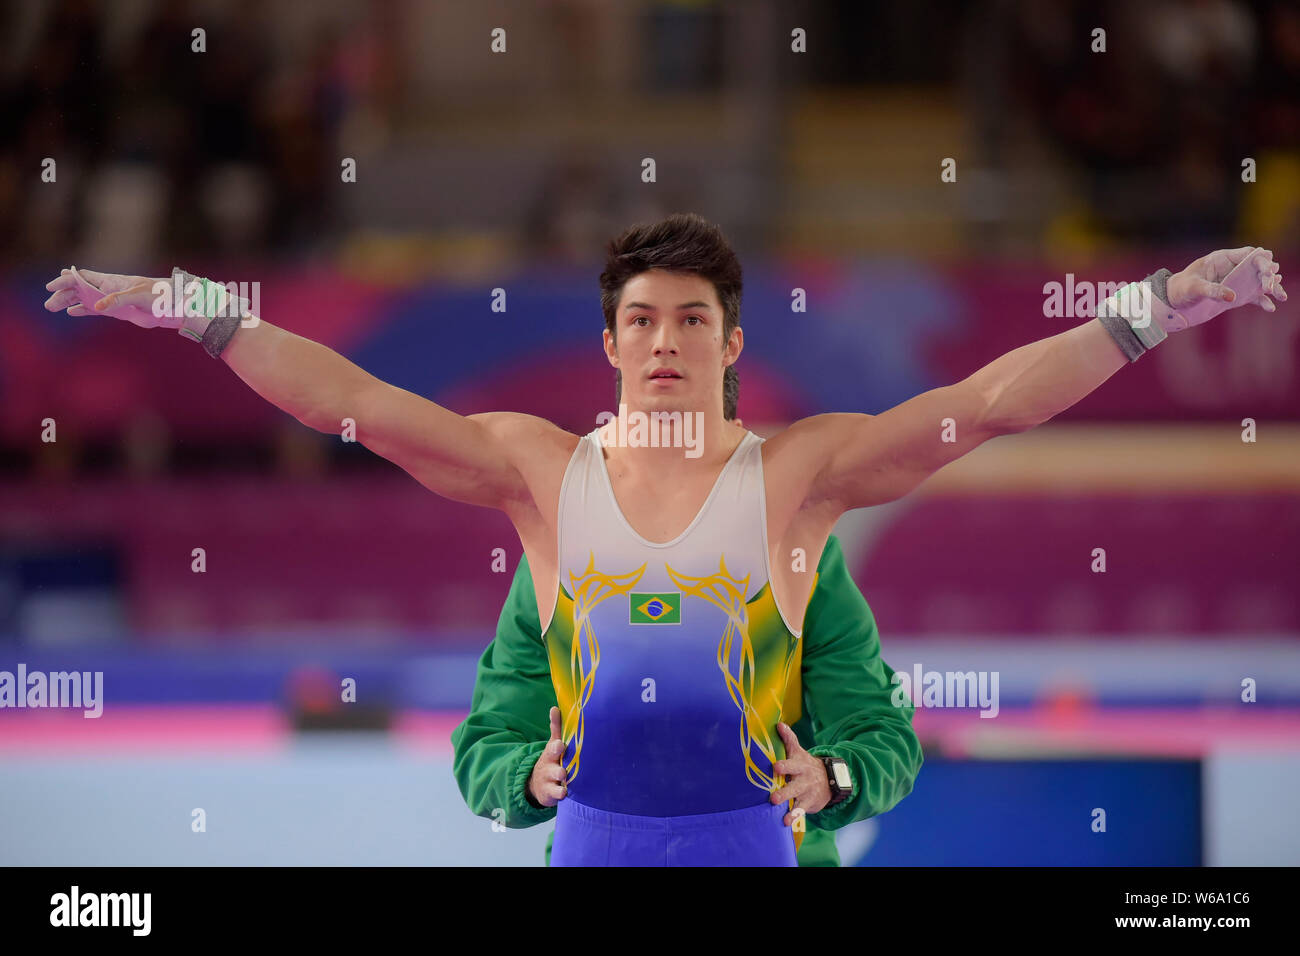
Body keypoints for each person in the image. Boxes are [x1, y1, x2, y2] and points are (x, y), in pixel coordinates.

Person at [43, 215, 1286, 865]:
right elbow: (350, 403)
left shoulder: (799, 477)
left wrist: (1157, 305)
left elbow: (994, 404)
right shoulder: (538, 472)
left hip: (751, 844)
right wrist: (185, 307)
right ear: (608, 344)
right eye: (640, 320)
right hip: (591, 840)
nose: (664, 341)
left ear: (733, 344)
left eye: (691, 319)